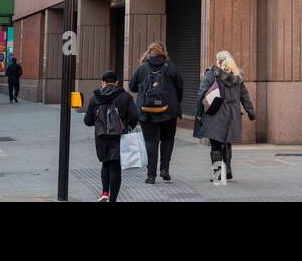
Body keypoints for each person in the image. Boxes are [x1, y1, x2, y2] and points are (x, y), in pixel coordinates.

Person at [194, 50, 255, 183]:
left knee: (215, 145)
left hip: (216, 113)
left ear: (219, 61)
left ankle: (218, 174)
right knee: (227, 143)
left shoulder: (212, 74)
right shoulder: (237, 77)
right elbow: (245, 97)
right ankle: (227, 171)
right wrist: (251, 112)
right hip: (233, 114)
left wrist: (199, 112)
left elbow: (201, 93)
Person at [128, 42, 184, 183]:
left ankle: (151, 175)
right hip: (169, 111)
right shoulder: (170, 67)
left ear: (148, 52)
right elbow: (180, 87)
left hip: (147, 112)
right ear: (163, 52)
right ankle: (164, 169)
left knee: (150, 142)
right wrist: (175, 103)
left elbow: (132, 87)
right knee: (167, 140)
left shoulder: (141, 68)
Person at [83, 69, 139, 202]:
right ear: (117, 82)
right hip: (119, 136)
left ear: (102, 83)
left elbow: (87, 121)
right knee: (115, 166)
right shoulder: (125, 96)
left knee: (105, 164)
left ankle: (104, 192)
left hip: (101, 137)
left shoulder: (95, 98)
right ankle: (113, 199)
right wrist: (127, 126)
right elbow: (134, 117)